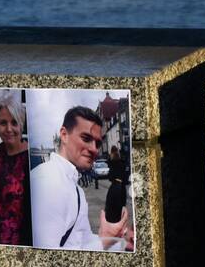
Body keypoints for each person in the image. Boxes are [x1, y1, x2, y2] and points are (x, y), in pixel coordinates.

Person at [30, 105, 130, 251]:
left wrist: (113, 240)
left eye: (98, 143)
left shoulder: (75, 187)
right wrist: (104, 243)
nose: (94, 149)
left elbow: (82, 241)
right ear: (64, 135)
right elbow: (45, 261)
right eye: (86, 138)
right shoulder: (46, 182)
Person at [0, 92, 32, 246]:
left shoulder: (31, 159)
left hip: (22, 242)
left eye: (14, 122)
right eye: (3, 123)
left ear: (21, 124)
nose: (9, 128)